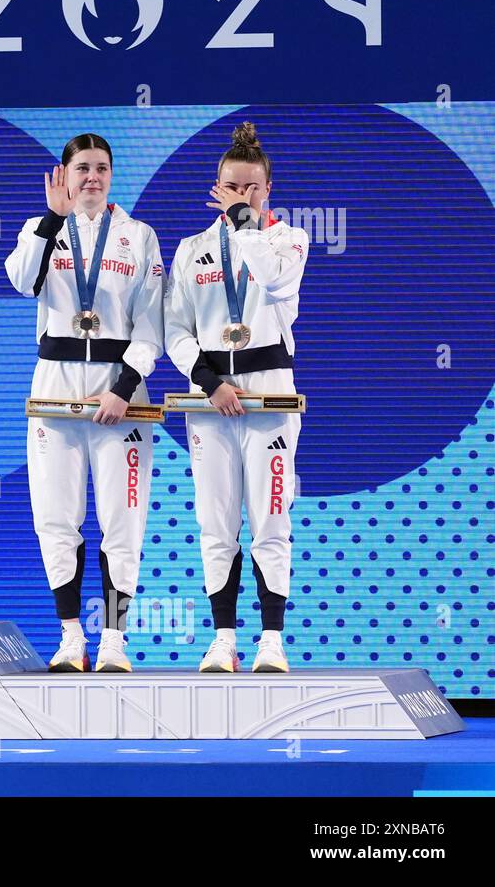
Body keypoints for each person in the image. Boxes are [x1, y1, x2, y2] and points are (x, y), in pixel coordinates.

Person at [5, 134, 164, 672]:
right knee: (55, 516)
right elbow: (23, 282)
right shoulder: (40, 230)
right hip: (55, 384)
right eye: (81, 169)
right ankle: (71, 637)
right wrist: (52, 221)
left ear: (112, 175)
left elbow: (151, 320)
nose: (91, 178)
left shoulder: (139, 236)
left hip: (120, 390)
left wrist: (123, 388)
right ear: (64, 176)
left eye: (100, 168)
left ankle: (115, 640)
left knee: (124, 518)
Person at [165, 122, 308, 674]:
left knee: (270, 517)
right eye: (232, 187)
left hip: (270, 394)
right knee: (216, 520)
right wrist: (209, 381)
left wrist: (246, 222)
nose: (242, 197)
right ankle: (223, 639)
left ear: (268, 189)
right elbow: (175, 328)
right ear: (215, 187)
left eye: (252, 188)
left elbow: (274, 284)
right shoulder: (191, 250)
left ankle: (271, 640)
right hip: (211, 402)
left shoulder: (288, 240)